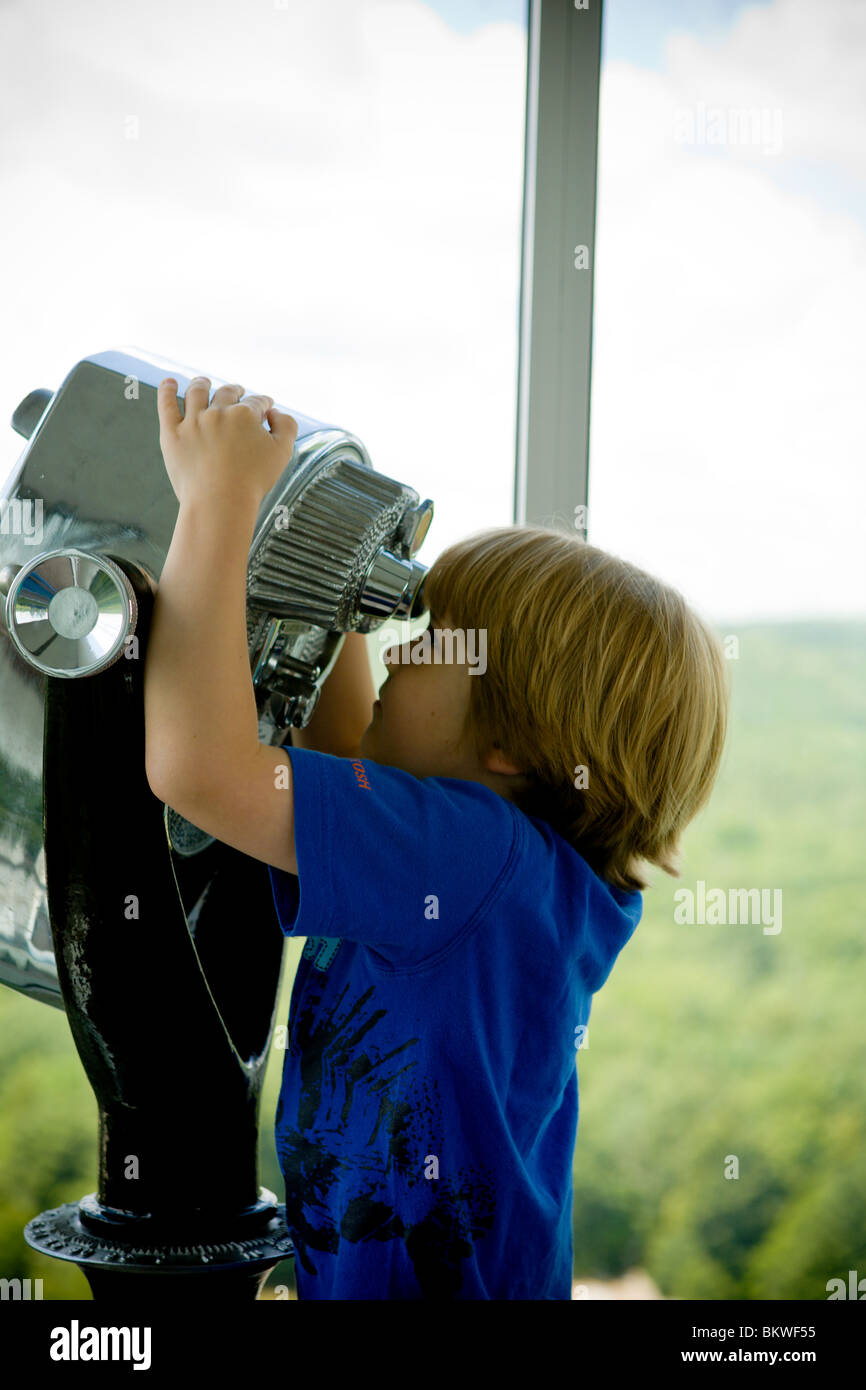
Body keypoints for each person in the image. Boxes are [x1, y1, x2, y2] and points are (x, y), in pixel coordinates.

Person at [146, 375, 730, 1300]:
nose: (403, 649)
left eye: (438, 640)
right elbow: (335, 753)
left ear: (510, 743)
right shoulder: (502, 867)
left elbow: (200, 768)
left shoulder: (472, 858)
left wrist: (216, 501)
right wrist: (327, 570)